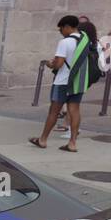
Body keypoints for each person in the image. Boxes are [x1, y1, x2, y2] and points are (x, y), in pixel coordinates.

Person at [30, 15, 91, 153]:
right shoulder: (84, 40)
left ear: (67, 27)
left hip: (63, 81)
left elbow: (58, 64)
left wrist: (50, 64)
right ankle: (72, 143)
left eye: (61, 29)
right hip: (78, 82)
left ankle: (43, 140)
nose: (61, 32)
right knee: (74, 111)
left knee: (54, 111)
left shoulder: (65, 42)